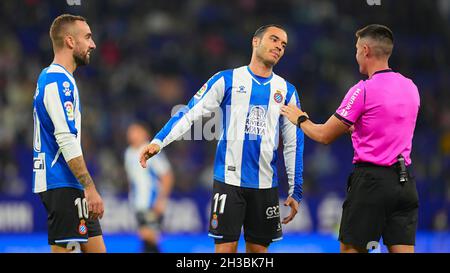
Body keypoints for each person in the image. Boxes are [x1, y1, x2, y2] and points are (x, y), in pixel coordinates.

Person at [139, 24, 304, 253]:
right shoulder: (227, 80)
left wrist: (296, 190)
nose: (279, 47)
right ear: (255, 42)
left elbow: (293, 142)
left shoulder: (287, 91)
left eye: (283, 45)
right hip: (229, 181)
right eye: (274, 40)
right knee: (225, 250)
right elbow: (190, 112)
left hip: (265, 185)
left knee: (258, 254)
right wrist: (159, 141)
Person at [280, 24, 420, 253]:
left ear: (365, 50)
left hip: (372, 183)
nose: (355, 55)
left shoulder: (363, 89)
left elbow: (324, 135)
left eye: (356, 49)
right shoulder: (411, 87)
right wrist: (361, 130)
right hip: (405, 184)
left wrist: (300, 119)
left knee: (351, 249)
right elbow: (392, 125)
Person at [32, 14, 105, 253]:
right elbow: (65, 138)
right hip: (62, 183)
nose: (92, 44)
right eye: (87, 37)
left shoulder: (61, 79)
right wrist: (89, 187)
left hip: (70, 183)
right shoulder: (57, 81)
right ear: (70, 41)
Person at [124, 122, 174, 253]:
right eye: (130, 132)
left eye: (135, 131)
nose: (131, 135)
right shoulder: (128, 153)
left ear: (144, 133)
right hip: (138, 204)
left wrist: (161, 200)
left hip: (151, 203)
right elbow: (131, 179)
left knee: (148, 235)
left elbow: (167, 176)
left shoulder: (150, 151)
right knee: (146, 239)